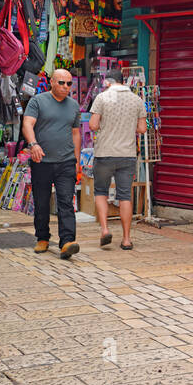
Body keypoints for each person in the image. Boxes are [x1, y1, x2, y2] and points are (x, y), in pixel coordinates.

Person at [22, 68, 81, 259]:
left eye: (69, 84)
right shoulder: (37, 101)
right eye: (61, 83)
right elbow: (27, 124)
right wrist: (33, 145)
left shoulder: (73, 105)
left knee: (65, 201)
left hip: (66, 162)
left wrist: (77, 159)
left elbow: (75, 133)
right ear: (52, 83)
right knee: (42, 202)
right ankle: (42, 238)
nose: (66, 87)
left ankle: (67, 242)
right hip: (42, 161)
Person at [88, 68, 146, 250]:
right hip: (127, 155)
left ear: (108, 82)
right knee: (124, 196)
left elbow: (93, 125)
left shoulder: (102, 98)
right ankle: (127, 239)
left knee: (101, 192)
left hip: (104, 153)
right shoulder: (137, 100)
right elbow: (143, 129)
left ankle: (105, 229)